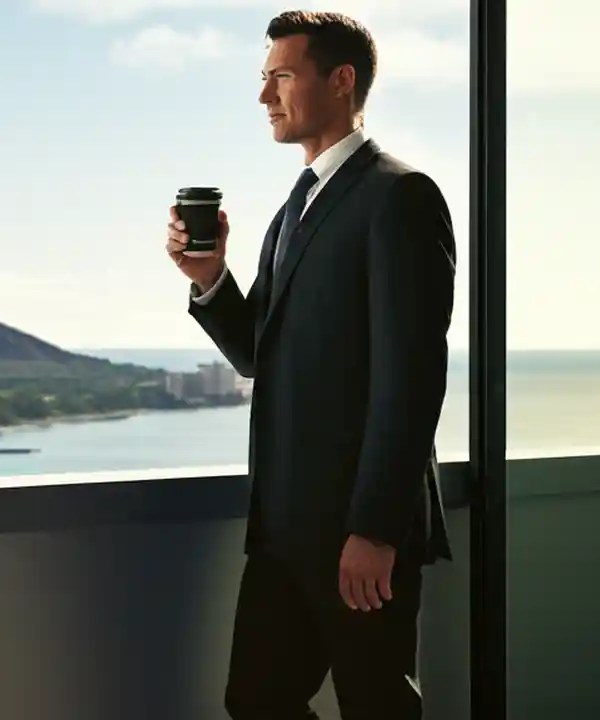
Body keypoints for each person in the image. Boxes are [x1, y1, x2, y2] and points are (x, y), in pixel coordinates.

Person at [165, 10, 456, 720]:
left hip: (358, 534)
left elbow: (411, 379)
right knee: (256, 700)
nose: (265, 96)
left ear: (342, 80)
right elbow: (259, 353)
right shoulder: (294, 207)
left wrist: (377, 529)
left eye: (282, 77)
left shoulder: (400, 196)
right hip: (284, 534)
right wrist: (209, 278)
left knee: (377, 706)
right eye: (264, 79)